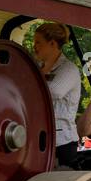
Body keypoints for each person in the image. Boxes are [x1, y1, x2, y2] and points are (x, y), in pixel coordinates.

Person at [32, 22, 83, 167]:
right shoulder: (39, 68)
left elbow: (54, 91)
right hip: (40, 137)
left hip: (62, 143)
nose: (34, 46)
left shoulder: (68, 69)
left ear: (53, 43)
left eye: (38, 42)